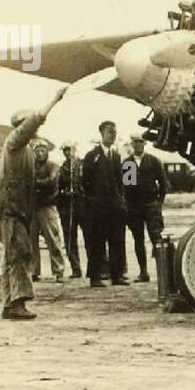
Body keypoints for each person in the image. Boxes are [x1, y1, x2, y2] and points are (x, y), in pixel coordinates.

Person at [0, 91, 69, 318]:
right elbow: (37, 119)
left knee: (13, 254)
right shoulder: (16, 142)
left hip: (13, 208)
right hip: (11, 208)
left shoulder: (23, 150)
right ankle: (17, 303)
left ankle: (9, 303)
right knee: (20, 252)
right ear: (21, 126)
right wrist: (54, 99)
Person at [82, 120, 129, 286]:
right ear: (101, 133)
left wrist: (121, 202)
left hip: (115, 207)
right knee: (97, 242)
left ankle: (117, 275)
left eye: (115, 132)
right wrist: (93, 202)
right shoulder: (92, 156)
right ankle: (95, 277)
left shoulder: (117, 157)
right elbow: (85, 181)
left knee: (117, 240)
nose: (113, 135)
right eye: (110, 132)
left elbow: (122, 182)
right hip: (98, 207)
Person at [122, 133, 168, 283]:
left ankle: (162, 272)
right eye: (135, 142)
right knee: (138, 239)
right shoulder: (128, 163)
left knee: (156, 237)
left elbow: (162, 183)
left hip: (151, 205)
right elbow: (127, 187)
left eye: (141, 142)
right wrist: (128, 205)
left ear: (145, 144)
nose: (138, 145)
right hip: (134, 206)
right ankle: (143, 272)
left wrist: (159, 202)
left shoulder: (153, 161)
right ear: (132, 144)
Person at [29, 139, 69, 282]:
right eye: (37, 150)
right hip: (33, 207)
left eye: (43, 150)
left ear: (47, 152)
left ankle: (58, 270)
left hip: (47, 206)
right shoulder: (30, 167)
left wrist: (35, 184)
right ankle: (34, 270)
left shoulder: (53, 166)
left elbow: (51, 182)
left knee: (52, 239)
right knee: (31, 240)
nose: (40, 153)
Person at [55, 143, 88, 279]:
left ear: (75, 150)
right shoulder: (61, 168)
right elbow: (57, 187)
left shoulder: (83, 164)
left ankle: (94, 268)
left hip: (83, 205)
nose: (68, 153)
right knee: (69, 238)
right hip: (67, 207)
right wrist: (64, 195)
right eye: (65, 150)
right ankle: (76, 268)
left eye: (70, 149)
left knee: (89, 237)